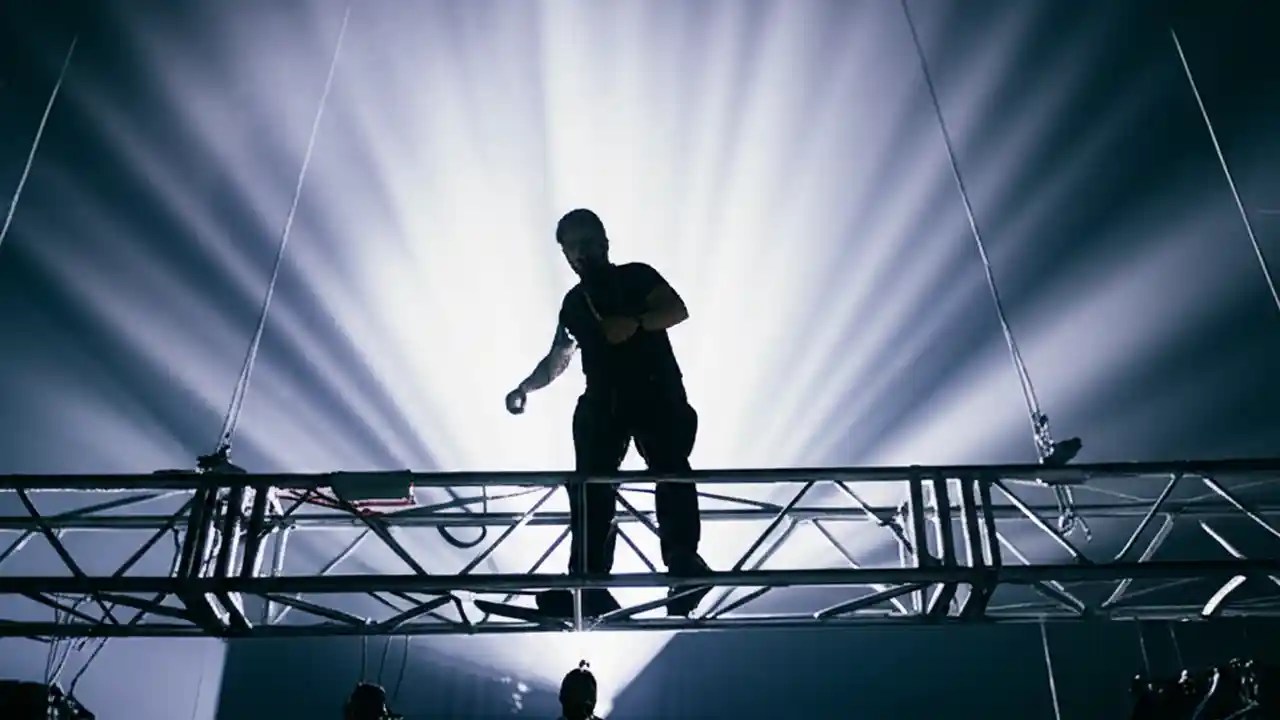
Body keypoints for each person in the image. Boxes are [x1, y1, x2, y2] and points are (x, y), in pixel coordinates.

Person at [505, 208, 710, 619]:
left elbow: (676, 309)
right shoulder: (574, 304)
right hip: (603, 402)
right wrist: (525, 387)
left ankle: (685, 567)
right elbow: (558, 358)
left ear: (604, 241)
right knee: (589, 487)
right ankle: (589, 582)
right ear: (565, 254)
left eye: (587, 241)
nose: (581, 252)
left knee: (670, 470)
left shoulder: (636, 275)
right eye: (571, 247)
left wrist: (634, 322)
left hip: (656, 393)